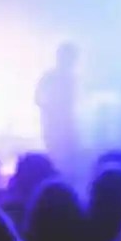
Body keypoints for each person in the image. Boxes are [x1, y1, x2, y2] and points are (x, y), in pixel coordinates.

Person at [36, 43, 81, 180]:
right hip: (52, 124)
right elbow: (37, 98)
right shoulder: (49, 77)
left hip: (67, 125)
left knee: (68, 157)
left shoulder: (72, 79)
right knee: (54, 154)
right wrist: (50, 110)